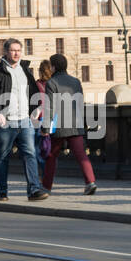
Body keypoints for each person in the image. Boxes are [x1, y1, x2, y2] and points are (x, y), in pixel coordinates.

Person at [0, 38, 48, 201]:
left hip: (25, 120)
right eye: (13, 50)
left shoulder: (25, 70)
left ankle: (34, 190)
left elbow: (33, 92)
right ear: (6, 52)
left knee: (30, 154)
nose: (16, 53)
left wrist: (37, 109)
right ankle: (2, 191)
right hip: (6, 121)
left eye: (19, 50)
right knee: (3, 156)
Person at [40, 54, 97, 194]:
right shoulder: (76, 81)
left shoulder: (51, 83)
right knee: (81, 154)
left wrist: (45, 127)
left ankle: (46, 187)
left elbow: (50, 107)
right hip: (75, 124)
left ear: (53, 67)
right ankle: (90, 182)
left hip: (59, 126)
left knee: (51, 156)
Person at [35, 59, 54, 171]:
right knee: (51, 148)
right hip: (53, 120)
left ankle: (44, 173)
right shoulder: (55, 83)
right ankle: (49, 173)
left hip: (40, 119)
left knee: (39, 149)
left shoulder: (37, 85)